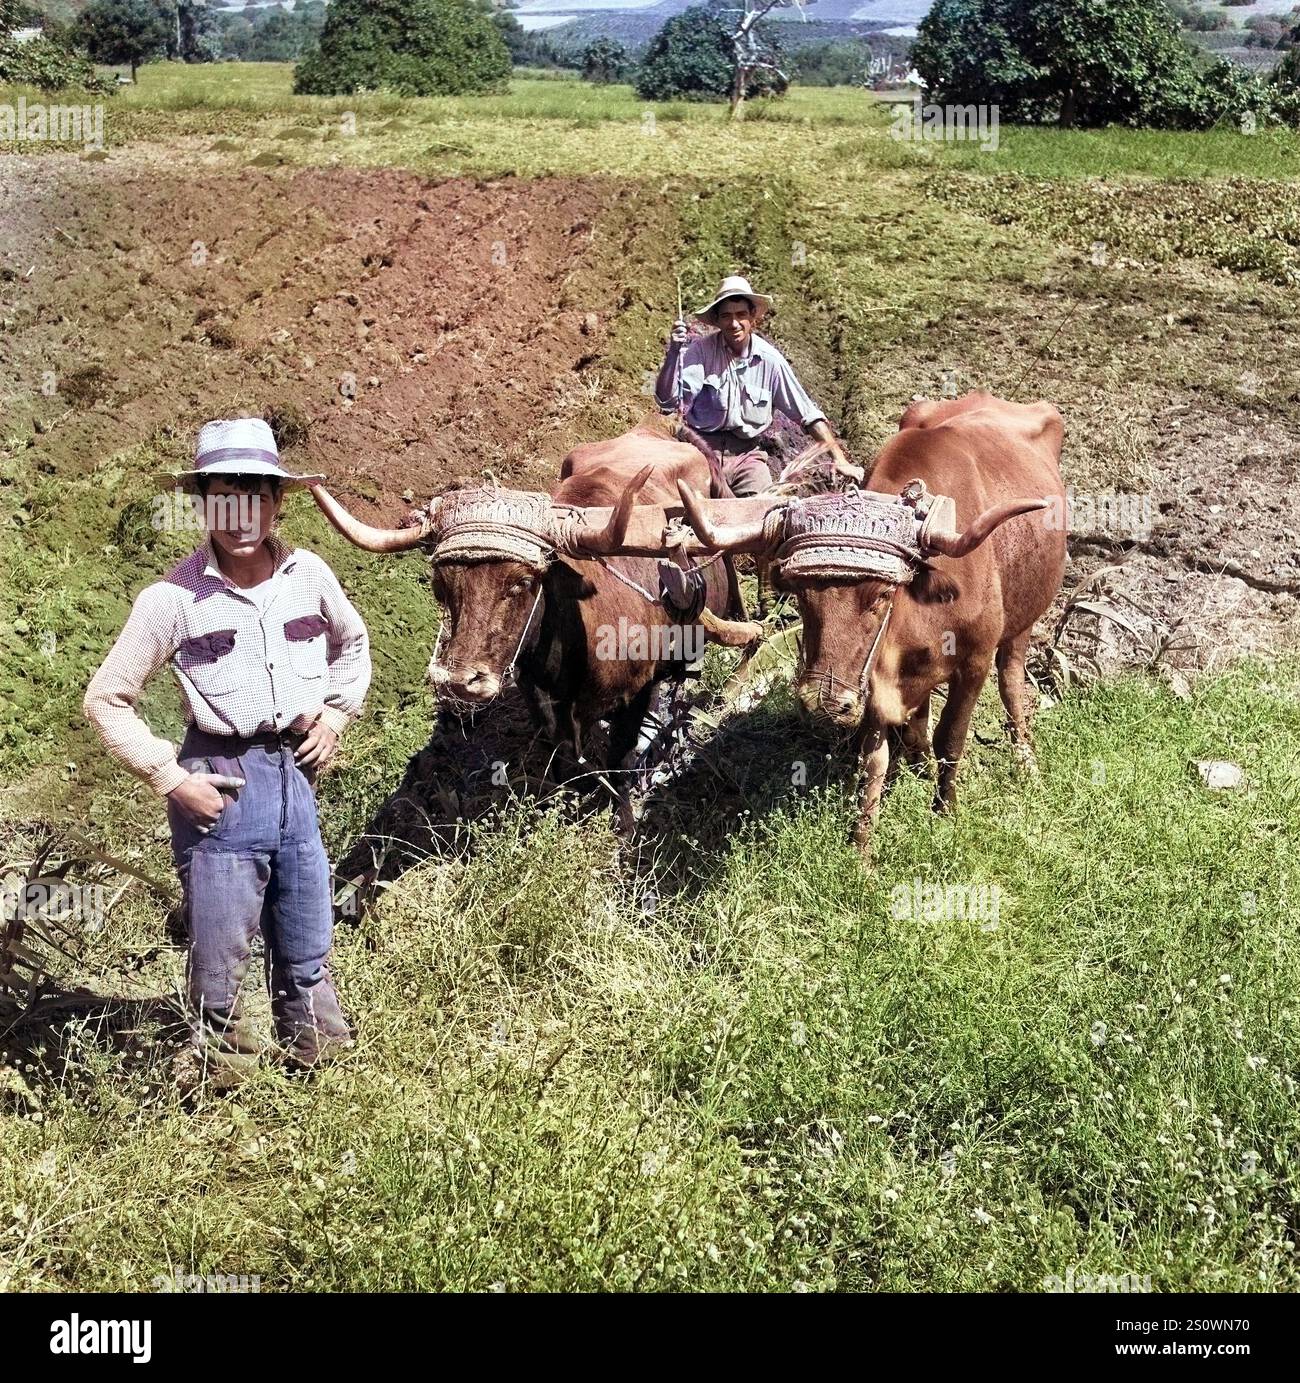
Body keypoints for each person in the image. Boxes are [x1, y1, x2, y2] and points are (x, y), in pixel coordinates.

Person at [84, 418, 372, 1076]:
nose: (241, 510)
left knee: (306, 942)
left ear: (277, 500)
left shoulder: (310, 576)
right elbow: (106, 698)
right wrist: (170, 777)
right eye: (223, 492)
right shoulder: (173, 598)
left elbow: (352, 644)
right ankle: (220, 1102)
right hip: (218, 782)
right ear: (205, 502)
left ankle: (318, 1075)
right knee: (219, 961)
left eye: (256, 491)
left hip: (295, 781)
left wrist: (334, 715)